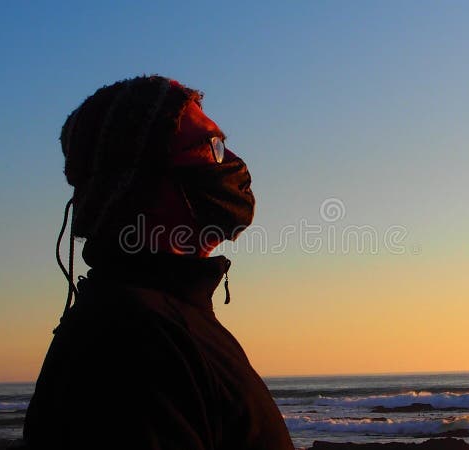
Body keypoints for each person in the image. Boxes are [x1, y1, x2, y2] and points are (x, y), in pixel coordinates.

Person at [22, 75, 294, 450]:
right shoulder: (125, 343)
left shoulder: (174, 317)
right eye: (212, 147)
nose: (232, 163)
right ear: (140, 181)